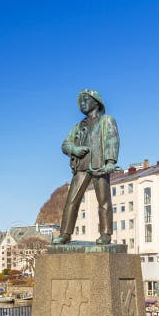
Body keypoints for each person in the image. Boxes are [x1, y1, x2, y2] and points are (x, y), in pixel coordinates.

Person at [52, 89, 120, 245]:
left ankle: (105, 233)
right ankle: (65, 234)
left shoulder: (107, 121)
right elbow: (65, 144)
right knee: (71, 201)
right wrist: (74, 149)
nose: (82, 104)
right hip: (81, 167)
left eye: (85, 100)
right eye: (80, 102)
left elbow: (112, 140)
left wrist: (110, 162)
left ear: (96, 102)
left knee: (103, 201)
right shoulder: (78, 126)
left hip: (99, 166)